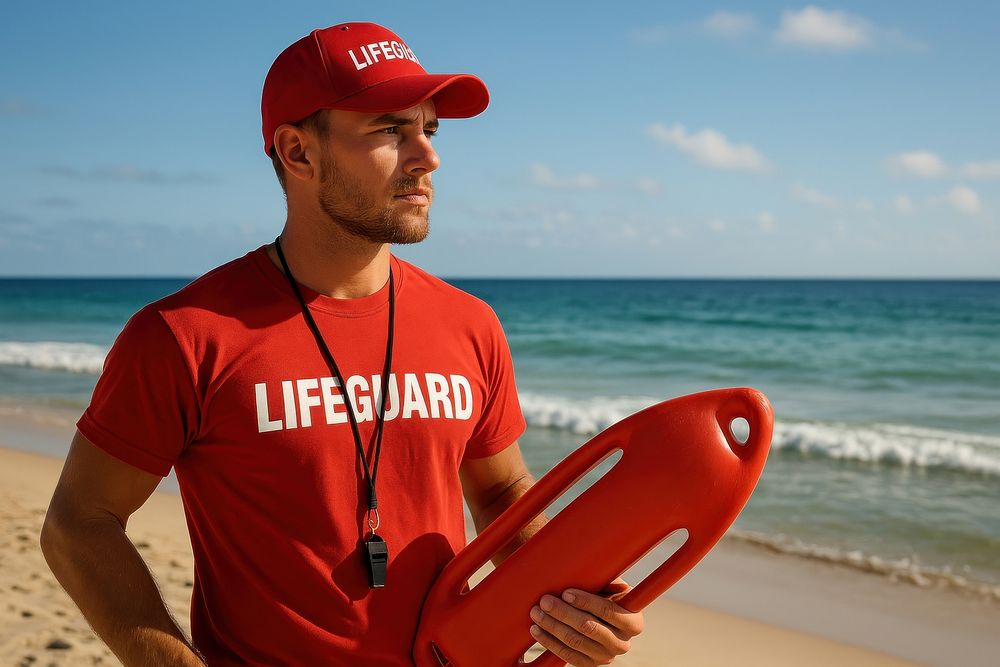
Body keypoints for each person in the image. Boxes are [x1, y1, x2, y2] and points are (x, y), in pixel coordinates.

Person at [39, 22, 643, 666]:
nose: (427, 157)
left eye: (429, 130)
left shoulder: (470, 324)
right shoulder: (185, 336)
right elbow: (80, 525)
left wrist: (567, 603)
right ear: (298, 152)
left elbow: (499, 490)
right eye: (390, 130)